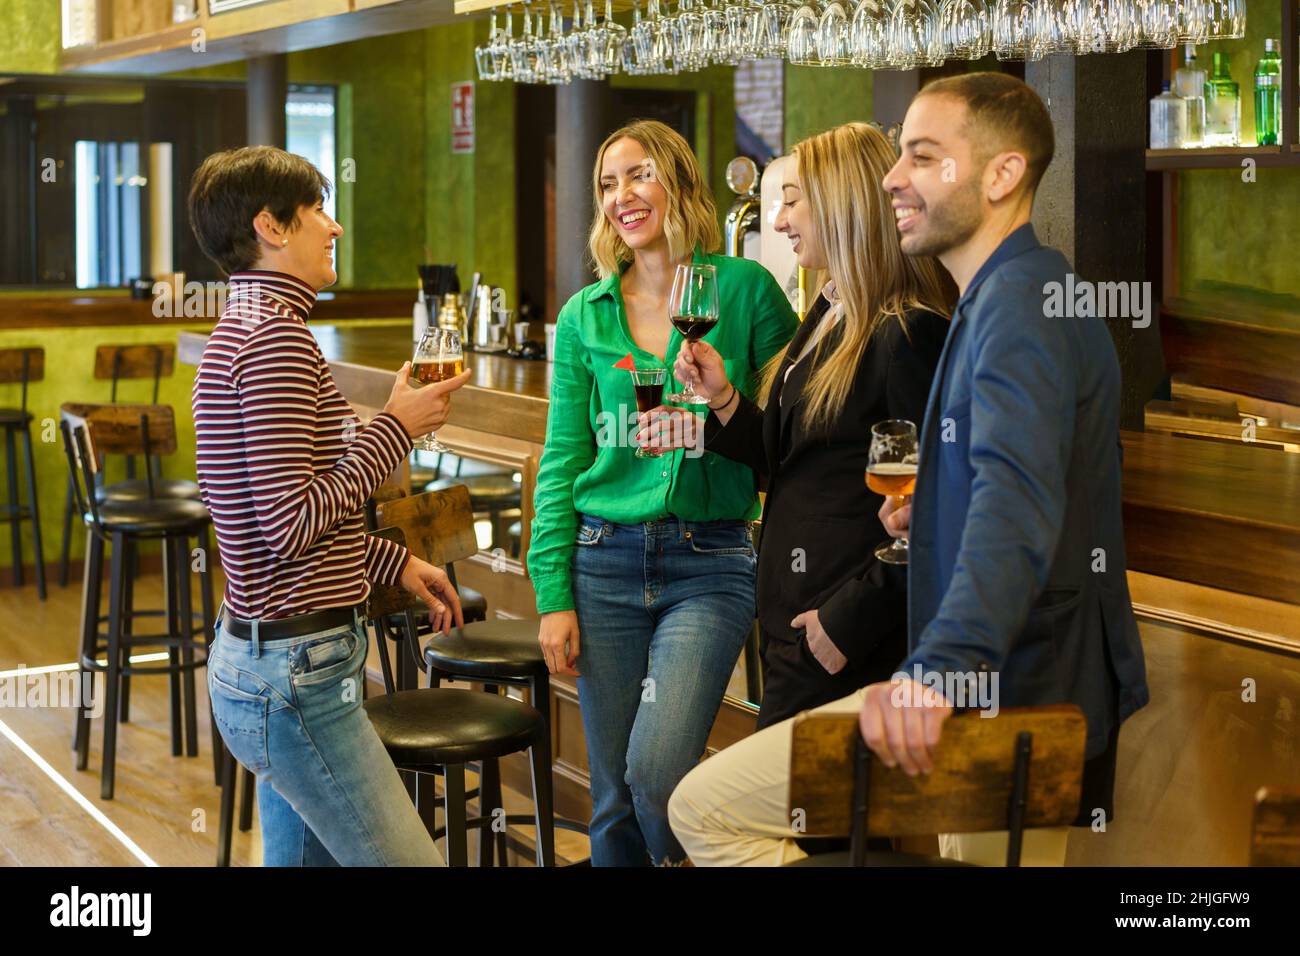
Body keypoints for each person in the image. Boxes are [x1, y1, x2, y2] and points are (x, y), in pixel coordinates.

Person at [858, 71, 1150, 865]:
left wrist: (938, 673)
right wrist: (939, 510)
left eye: (922, 156)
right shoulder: (1015, 291)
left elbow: (1019, 506)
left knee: (707, 810)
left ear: (1001, 174)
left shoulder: (1021, 302)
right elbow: (1019, 478)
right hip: (1005, 687)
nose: (892, 177)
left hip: (1017, 694)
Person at [662, 121, 954, 866]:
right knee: (800, 831)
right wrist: (725, 398)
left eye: (793, 200)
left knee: (784, 829)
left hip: (841, 633)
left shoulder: (907, 331)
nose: (781, 220)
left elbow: (939, 513)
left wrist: (847, 619)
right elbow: (784, 462)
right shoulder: (828, 312)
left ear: (844, 206)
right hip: (794, 621)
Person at [529, 119, 798, 866]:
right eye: (608, 184)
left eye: (640, 175)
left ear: (679, 186)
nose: (622, 197)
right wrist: (551, 591)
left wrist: (721, 404)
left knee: (657, 774)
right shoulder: (587, 314)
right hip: (600, 560)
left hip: (709, 562)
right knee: (612, 796)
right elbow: (560, 460)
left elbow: (795, 427)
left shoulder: (746, 291)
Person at [190, 145, 469, 866]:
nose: (334, 227)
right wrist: (397, 427)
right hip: (296, 674)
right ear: (272, 228)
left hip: (262, 656)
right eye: (317, 209)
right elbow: (290, 527)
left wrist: (391, 560)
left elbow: (276, 519)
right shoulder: (278, 340)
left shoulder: (242, 331)